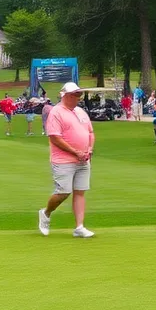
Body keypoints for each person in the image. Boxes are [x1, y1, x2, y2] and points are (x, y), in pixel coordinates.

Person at [38, 82, 95, 239]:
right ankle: (46, 213)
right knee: (63, 192)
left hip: (83, 159)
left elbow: (90, 132)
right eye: (76, 94)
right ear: (67, 95)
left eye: (79, 94)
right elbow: (55, 137)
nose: (79, 97)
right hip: (63, 160)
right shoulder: (56, 112)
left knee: (80, 192)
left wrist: (89, 149)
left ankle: (79, 227)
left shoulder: (81, 112)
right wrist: (75, 152)